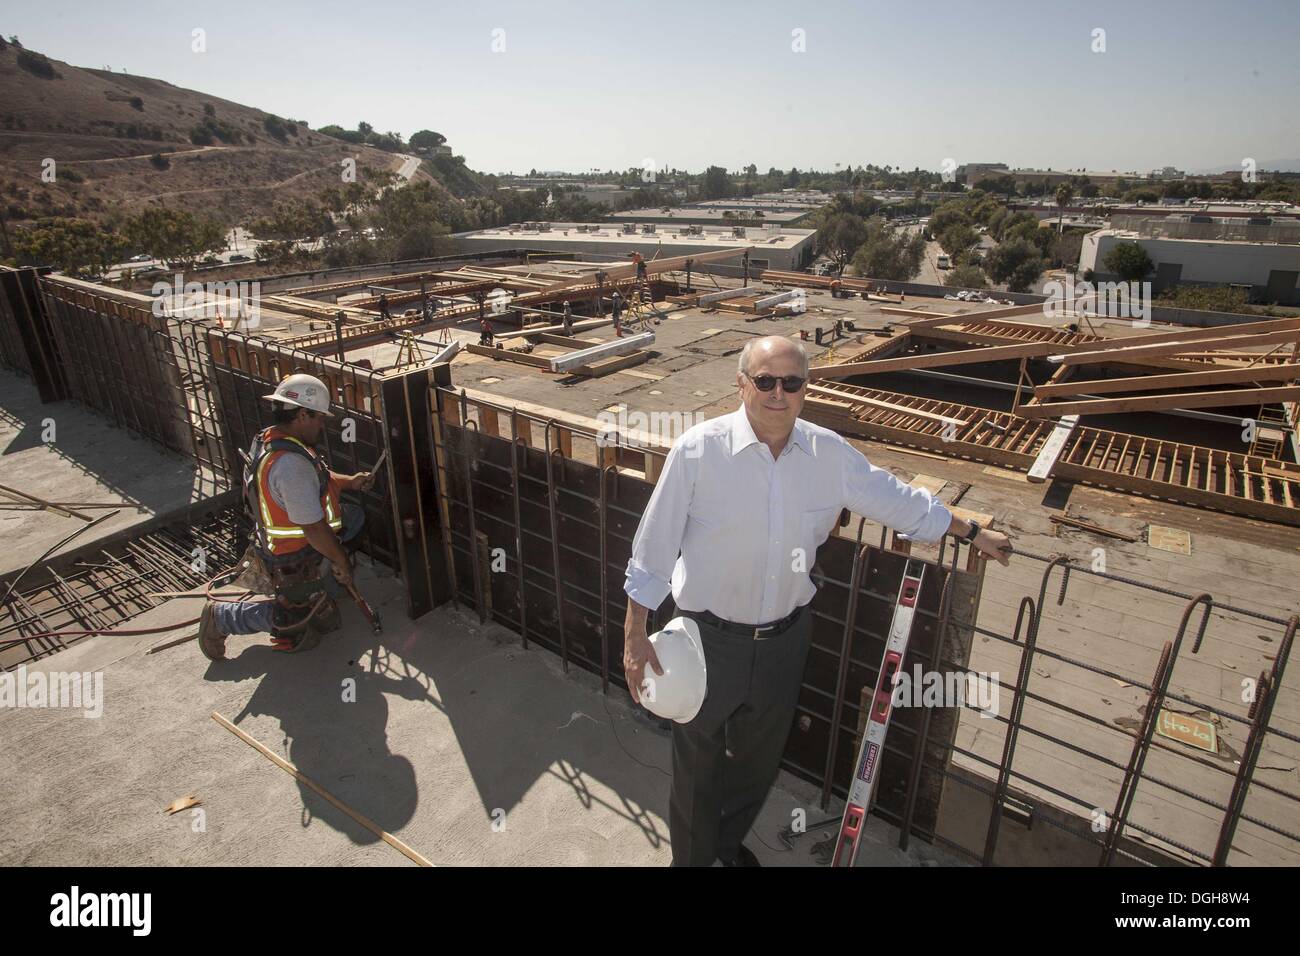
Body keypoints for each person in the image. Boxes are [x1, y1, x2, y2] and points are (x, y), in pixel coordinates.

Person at [622, 336, 1012, 867]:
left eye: (791, 382)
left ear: (808, 388)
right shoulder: (698, 451)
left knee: (759, 765)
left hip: (784, 641)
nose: (777, 393)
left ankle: (722, 848)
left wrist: (967, 531)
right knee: (698, 764)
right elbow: (654, 546)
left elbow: (897, 499)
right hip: (705, 641)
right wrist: (634, 636)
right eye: (765, 381)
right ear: (741, 384)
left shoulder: (829, 455)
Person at [198, 374, 377, 660]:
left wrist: (350, 481)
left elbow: (320, 476)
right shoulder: (291, 465)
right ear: (302, 414)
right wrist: (340, 559)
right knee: (301, 628)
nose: (322, 425)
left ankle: (324, 587)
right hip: (293, 554)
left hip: (286, 539)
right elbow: (313, 528)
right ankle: (224, 617)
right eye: (319, 417)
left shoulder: (275, 439)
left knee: (353, 517)